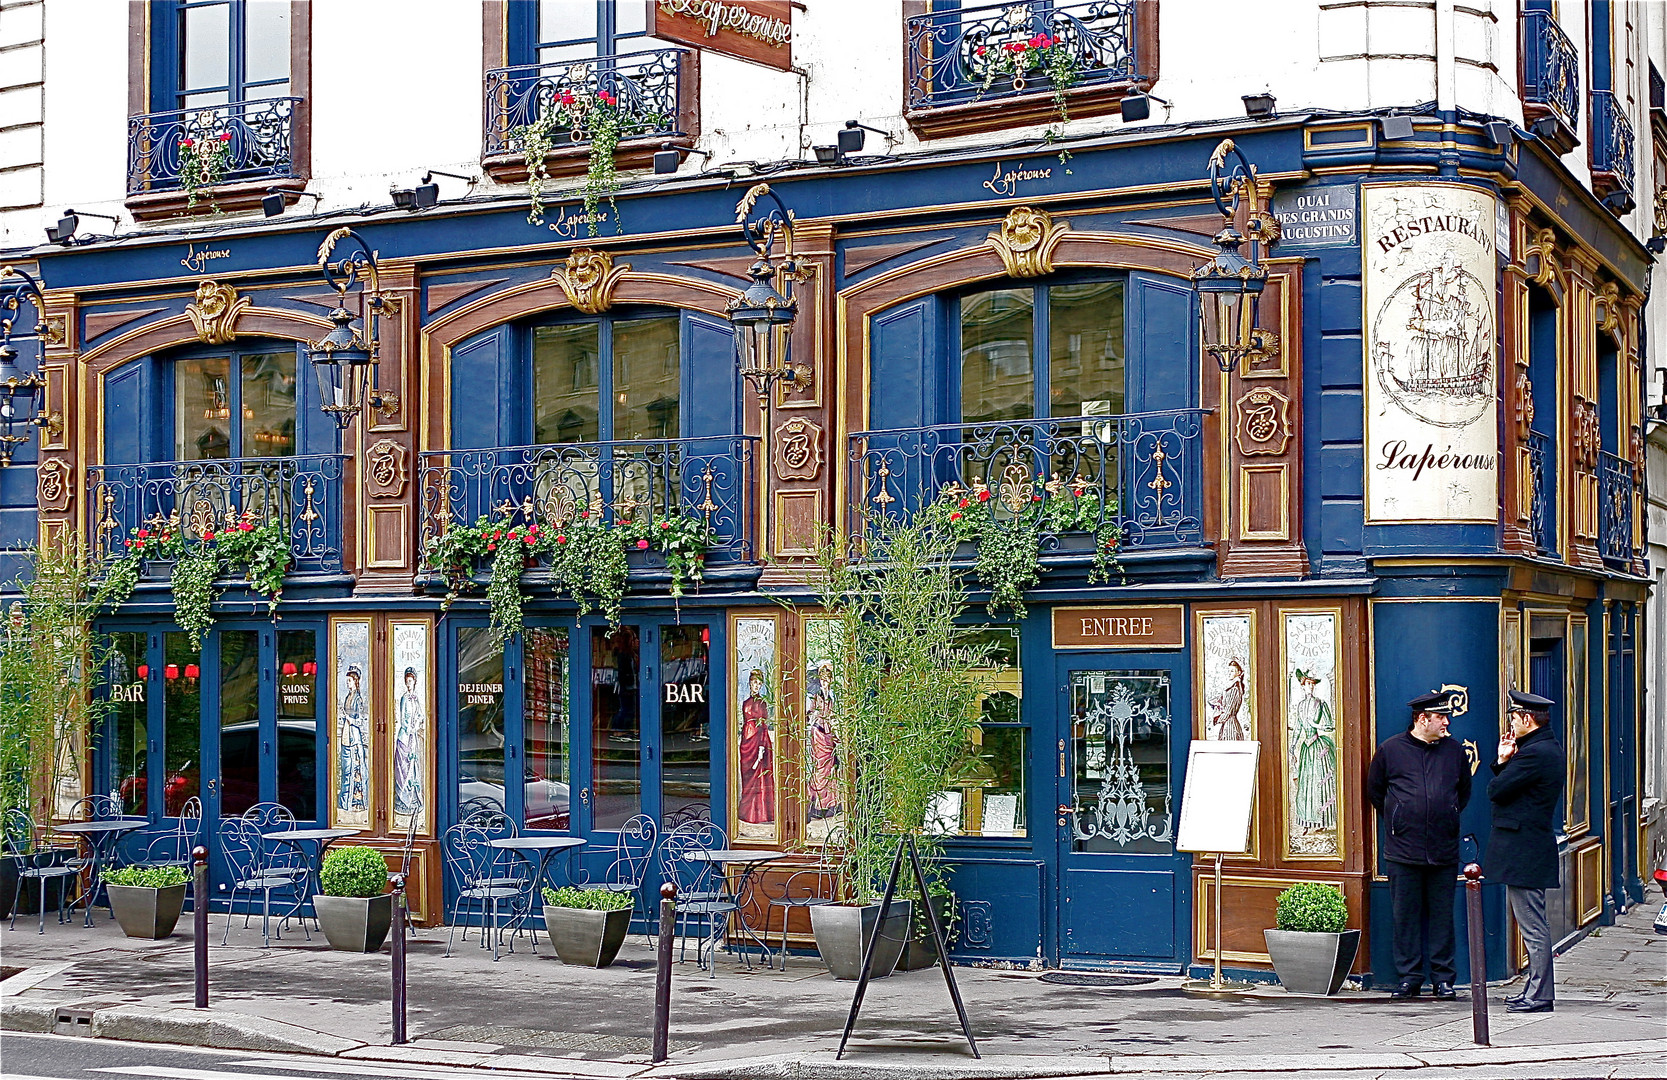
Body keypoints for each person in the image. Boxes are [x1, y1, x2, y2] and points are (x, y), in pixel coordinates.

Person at [1368, 688, 1473, 1000]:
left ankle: (1444, 979)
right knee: (1405, 917)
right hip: (1404, 850)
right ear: (1422, 719)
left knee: (1443, 917)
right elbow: (1376, 792)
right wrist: (1400, 817)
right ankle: (1409, 978)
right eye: (1441, 717)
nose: (1446, 723)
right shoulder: (1391, 750)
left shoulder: (1454, 751)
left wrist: (1447, 814)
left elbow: (1463, 792)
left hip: (1443, 848)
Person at [1488, 689, 1565, 1014]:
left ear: (1527, 719)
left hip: (1524, 850)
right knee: (1533, 923)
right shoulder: (1544, 748)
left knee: (1533, 925)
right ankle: (1535, 990)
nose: (1512, 724)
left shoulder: (1534, 754)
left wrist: (1504, 760)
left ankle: (1540, 994)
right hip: (1528, 847)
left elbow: (1497, 790)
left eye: (1514, 719)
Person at [738, 669, 775, 825]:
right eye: (754, 683)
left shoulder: (762, 703)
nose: (756, 686)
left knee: (758, 775)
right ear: (750, 683)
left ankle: (759, 813)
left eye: (759, 684)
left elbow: (762, 726)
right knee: (747, 775)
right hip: (746, 741)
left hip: (758, 740)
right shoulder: (746, 702)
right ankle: (747, 811)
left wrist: (761, 747)